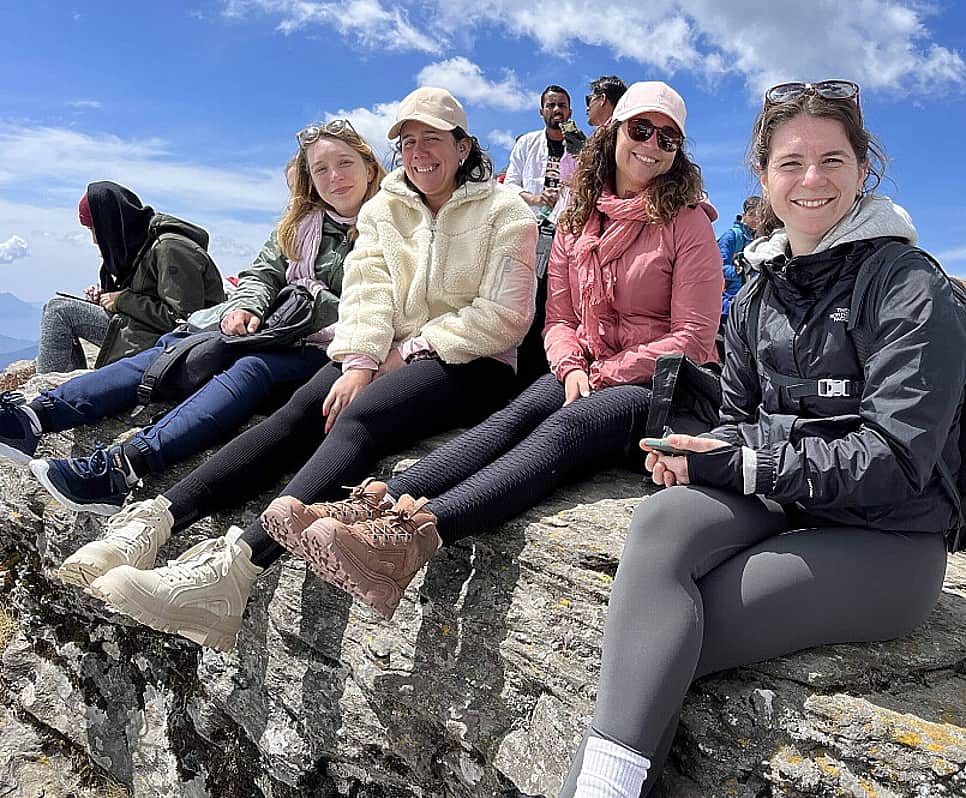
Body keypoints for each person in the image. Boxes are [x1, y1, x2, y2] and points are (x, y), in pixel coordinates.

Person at [558, 80, 966, 798]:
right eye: (790, 163)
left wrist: (748, 458)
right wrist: (702, 453)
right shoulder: (756, 295)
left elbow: (899, 458)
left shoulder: (909, 288)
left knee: (662, 641)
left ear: (862, 168)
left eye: (831, 160)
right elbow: (739, 416)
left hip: (889, 540)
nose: (810, 180)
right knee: (660, 522)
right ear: (762, 175)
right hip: (789, 502)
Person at [79, 88, 538, 653]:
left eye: (434, 140)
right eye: (408, 142)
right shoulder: (384, 209)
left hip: (473, 359)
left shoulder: (505, 211)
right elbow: (368, 294)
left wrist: (403, 355)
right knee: (307, 405)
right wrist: (363, 359)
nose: (419, 154)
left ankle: (237, 569)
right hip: (389, 351)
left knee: (363, 415)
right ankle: (160, 519)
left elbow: (505, 315)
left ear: (463, 146)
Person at [259, 80, 722, 622]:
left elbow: (691, 337)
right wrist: (572, 364)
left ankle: (408, 545)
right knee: (513, 417)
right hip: (589, 366)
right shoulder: (578, 217)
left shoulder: (688, 223)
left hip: (662, 385)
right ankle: (377, 503)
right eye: (641, 129)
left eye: (668, 139)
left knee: (561, 430)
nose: (652, 144)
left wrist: (601, 373)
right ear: (615, 132)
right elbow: (561, 318)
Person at [0, 121, 384, 523]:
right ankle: (32, 417)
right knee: (174, 349)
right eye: (321, 169)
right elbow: (263, 273)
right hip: (267, 327)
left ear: (369, 167)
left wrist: (303, 306)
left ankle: (119, 470)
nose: (334, 177)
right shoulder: (300, 224)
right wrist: (249, 306)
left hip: (326, 346)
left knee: (249, 371)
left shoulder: (389, 225)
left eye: (345, 163)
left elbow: (381, 301)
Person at [37, 182, 224, 373]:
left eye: (94, 230)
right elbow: (148, 292)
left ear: (110, 224)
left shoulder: (170, 248)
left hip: (171, 344)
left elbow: (185, 320)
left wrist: (122, 300)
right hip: (148, 330)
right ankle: (63, 389)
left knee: (58, 310)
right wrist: (106, 297)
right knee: (56, 308)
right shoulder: (144, 242)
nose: (94, 239)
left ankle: (47, 392)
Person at [506, 85, 580, 381]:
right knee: (525, 301)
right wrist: (535, 198)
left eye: (562, 105)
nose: (557, 111)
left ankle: (547, 373)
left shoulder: (579, 146)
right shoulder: (526, 143)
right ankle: (519, 376)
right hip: (530, 232)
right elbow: (509, 184)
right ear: (541, 112)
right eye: (551, 105)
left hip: (564, 235)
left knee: (557, 303)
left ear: (570, 112)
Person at [717, 195, 763, 319]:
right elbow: (715, 268)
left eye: (759, 216)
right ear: (744, 215)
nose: (756, 219)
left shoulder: (761, 240)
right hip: (728, 304)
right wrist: (737, 272)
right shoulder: (732, 237)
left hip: (750, 303)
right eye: (752, 214)